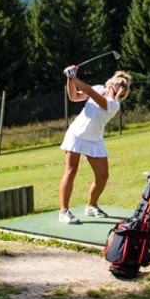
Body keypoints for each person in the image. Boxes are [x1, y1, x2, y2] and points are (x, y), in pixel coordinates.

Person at [59, 67, 131, 223]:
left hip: (95, 139)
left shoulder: (113, 104)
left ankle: (91, 206)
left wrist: (74, 77)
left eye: (124, 88)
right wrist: (70, 79)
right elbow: (73, 96)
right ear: (113, 84)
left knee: (103, 176)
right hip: (76, 135)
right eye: (120, 85)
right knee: (71, 171)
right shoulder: (99, 88)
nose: (122, 89)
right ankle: (63, 211)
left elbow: (92, 94)